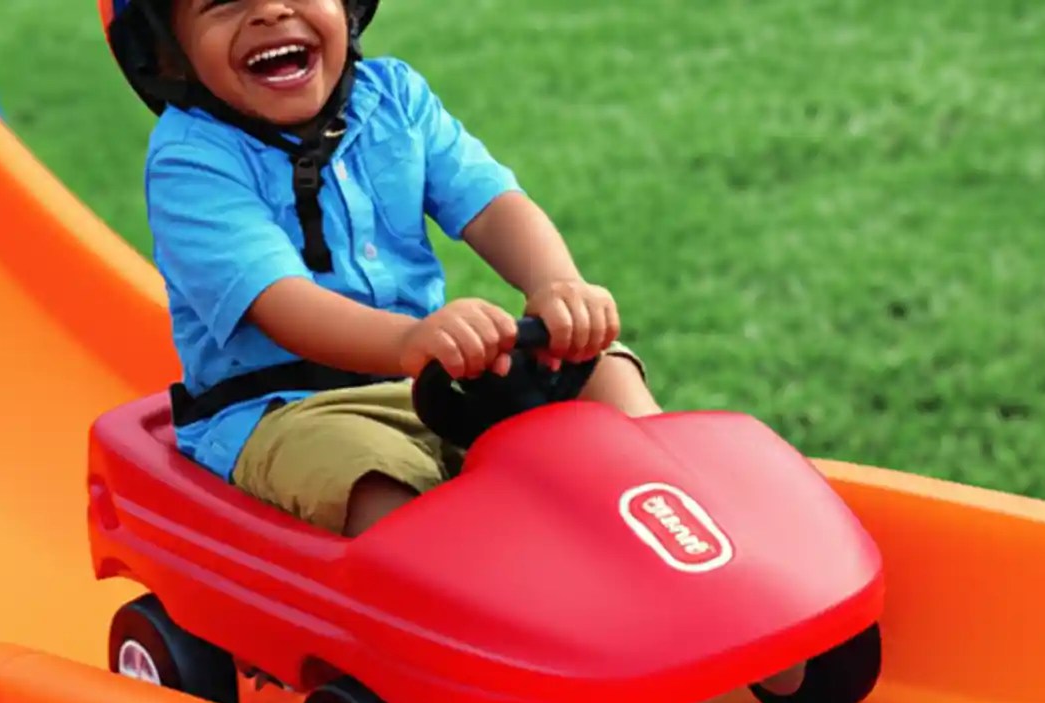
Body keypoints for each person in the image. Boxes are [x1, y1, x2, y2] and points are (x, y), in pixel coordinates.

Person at [99, 0, 663, 538]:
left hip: (427, 382)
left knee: (602, 371)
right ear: (168, 53)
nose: (271, 11)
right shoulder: (192, 161)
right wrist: (410, 340)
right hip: (288, 410)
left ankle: (686, 553)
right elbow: (279, 302)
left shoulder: (396, 99)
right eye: (224, 1)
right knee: (369, 474)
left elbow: (492, 206)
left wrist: (555, 283)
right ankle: (441, 611)